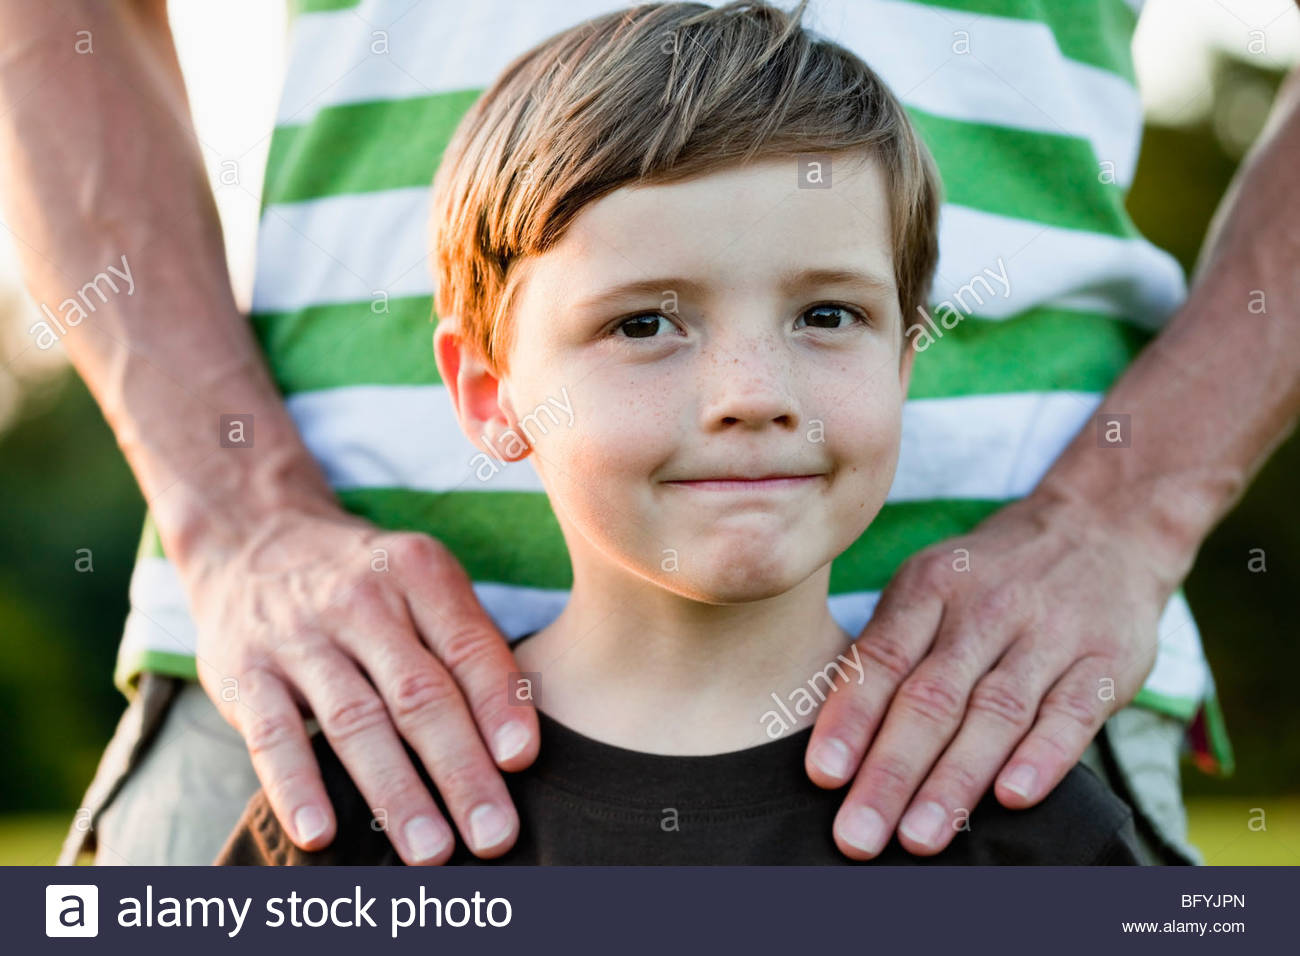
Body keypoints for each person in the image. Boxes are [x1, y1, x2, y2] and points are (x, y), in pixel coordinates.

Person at [3, 0, 1291, 867]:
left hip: (1010, 711)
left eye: (830, 314)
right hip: (305, 691)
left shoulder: (1033, 833)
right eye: (644, 326)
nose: (749, 392)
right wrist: (234, 510)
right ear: (484, 389)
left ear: (911, 351)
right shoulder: (326, 823)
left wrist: (1134, 512)